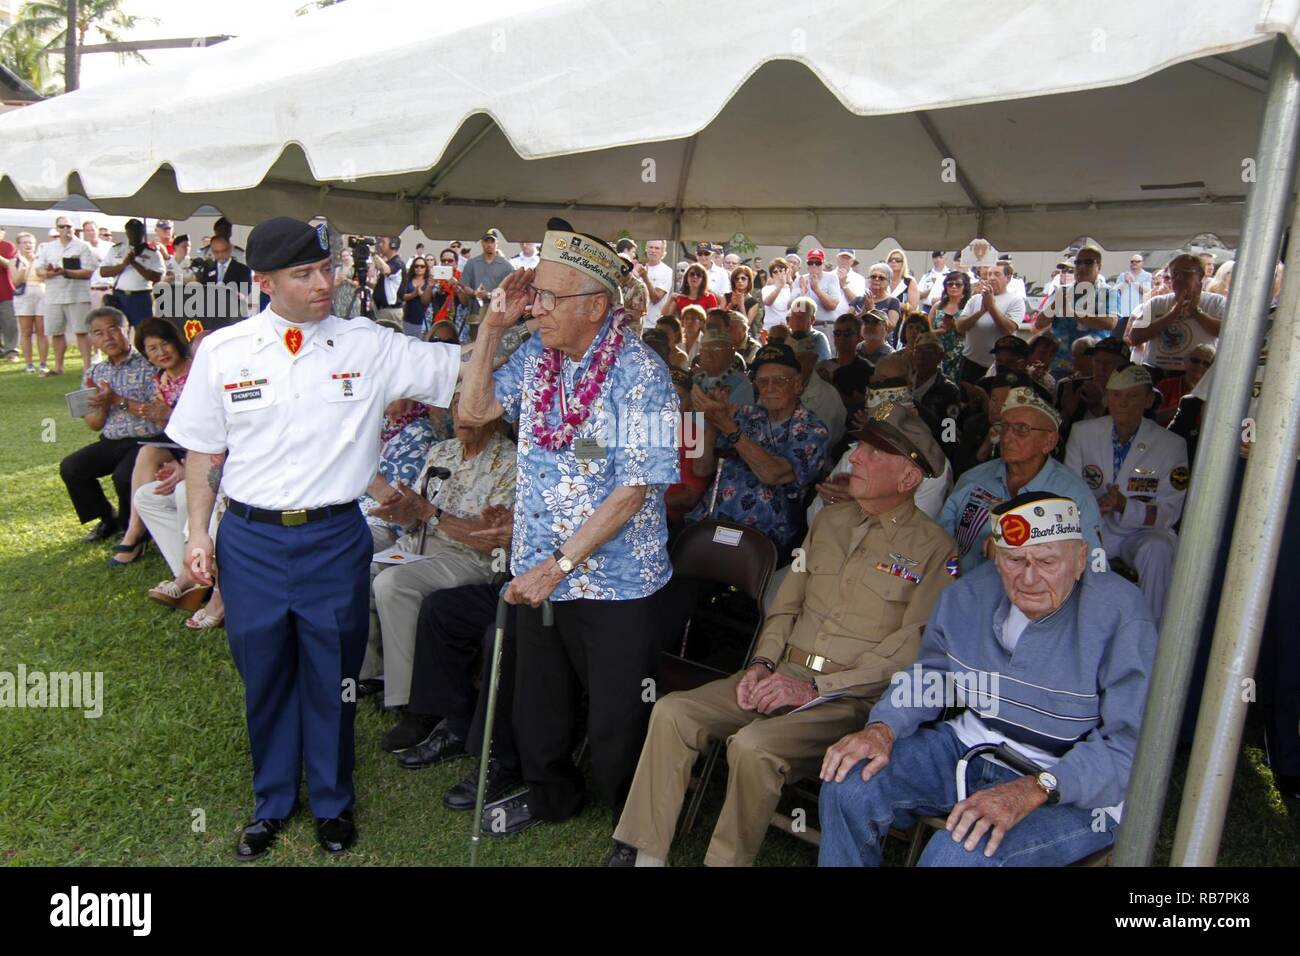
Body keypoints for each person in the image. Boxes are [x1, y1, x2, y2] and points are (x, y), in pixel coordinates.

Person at [164, 216, 461, 860]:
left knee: (332, 676)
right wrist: (197, 533)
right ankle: (272, 801)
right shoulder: (225, 351)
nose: (323, 283)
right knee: (264, 674)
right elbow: (200, 454)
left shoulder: (366, 344)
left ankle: (331, 801)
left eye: (327, 269)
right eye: (304, 274)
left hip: (332, 536)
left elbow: (454, 369)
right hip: (250, 538)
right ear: (265, 282)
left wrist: (495, 323)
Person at [611, 403, 958, 866]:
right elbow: (786, 605)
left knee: (754, 747)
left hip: (846, 698)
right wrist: (760, 665)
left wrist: (814, 688)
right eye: (860, 448)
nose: (855, 459)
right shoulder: (830, 522)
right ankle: (644, 853)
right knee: (675, 711)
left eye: (874, 454)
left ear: (909, 478)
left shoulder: (936, 549)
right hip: (782, 669)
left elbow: (910, 649)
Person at [459, 216, 679, 838]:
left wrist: (559, 565)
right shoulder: (535, 355)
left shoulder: (644, 375)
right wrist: (490, 330)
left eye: (551, 298)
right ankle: (551, 795)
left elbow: (634, 489)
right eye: (535, 294)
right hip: (538, 569)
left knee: (617, 721)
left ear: (597, 306)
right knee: (540, 703)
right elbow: (473, 412)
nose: (536, 308)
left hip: (614, 583)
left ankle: (632, 829)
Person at [818, 491, 1156, 867]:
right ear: (996, 558)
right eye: (1014, 560)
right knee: (848, 784)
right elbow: (934, 674)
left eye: (1046, 561)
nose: (1028, 577)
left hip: (1074, 788)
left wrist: (1035, 788)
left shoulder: (1120, 615)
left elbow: (1130, 746)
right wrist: (883, 728)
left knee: (954, 855)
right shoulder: (968, 594)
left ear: (1079, 561)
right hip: (971, 747)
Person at [363, 395, 517, 734]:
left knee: (393, 585)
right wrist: (401, 511)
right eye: (455, 408)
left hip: (472, 558)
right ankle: (373, 674)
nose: (460, 416)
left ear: (492, 414)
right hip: (421, 544)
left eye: (470, 408)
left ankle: (412, 701)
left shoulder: (511, 462)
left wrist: (429, 514)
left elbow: (492, 539)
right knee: (358, 570)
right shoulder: (441, 452)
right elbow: (417, 512)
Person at [1064, 365, 1188, 623]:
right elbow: (1069, 489)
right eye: (1117, 395)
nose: (1123, 403)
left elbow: (1170, 510)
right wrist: (1094, 506)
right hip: (1095, 526)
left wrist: (1124, 506)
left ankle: (1150, 635)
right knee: (1072, 548)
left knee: (1159, 548)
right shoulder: (1083, 432)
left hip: (1140, 532)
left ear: (1149, 399)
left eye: (1133, 396)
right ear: (1107, 398)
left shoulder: (1172, 444)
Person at [940, 386, 1102, 574]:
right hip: (964, 594)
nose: (1007, 437)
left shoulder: (1074, 496)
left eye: (1022, 429)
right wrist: (951, 585)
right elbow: (940, 548)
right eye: (1004, 426)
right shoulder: (973, 480)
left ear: (1049, 441)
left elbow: (1093, 569)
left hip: (1038, 598)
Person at [686, 343, 828, 557]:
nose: (769, 387)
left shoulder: (812, 430)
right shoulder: (745, 415)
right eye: (762, 381)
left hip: (759, 536)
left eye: (779, 381)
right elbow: (701, 469)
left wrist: (727, 425)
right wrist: (712, 423)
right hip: (708, 520)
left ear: (798, 385)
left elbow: (773, 473)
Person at [59, 307, 165, 544]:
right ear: (92, 339)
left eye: (113, 329)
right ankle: (107, 518)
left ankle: (132, 529)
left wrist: (118, 400)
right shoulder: (94, 372)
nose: (107, 337)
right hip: (112, 441)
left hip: (147, 440)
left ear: (126, 330)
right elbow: (94, 425)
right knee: (72, 467)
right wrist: (104, 405)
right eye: (98, 333)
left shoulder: (151, 365)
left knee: (123, 475)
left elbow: (161, 415)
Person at [109, 319, 194, 567]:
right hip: (177, 443)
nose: (161, 353)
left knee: (139, 460)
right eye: (153, 349)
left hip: (200, 445)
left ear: (177, 342)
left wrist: (168, 415)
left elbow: (202, 420)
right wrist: (160, 416)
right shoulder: (161, 378)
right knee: (147, 452)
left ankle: (135, 535)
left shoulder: (197, 371)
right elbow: (165, 422)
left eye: (165, 344)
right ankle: (134, 531)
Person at [1125, 252, 1226, 378]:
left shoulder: (1216, 302)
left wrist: (1195, 312)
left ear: (1200, 275)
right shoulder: (1156, 303)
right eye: (1174, 274)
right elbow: (1134, 338)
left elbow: (1225, 333)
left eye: (1185, 273)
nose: (1178, 279)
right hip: (1157, 375)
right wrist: (1171, 316)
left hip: (1196, 377)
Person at [1032, 246, 1118, 378]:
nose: (1082, 267)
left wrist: (1073, 313)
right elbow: (1039, 324)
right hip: (1059, 364)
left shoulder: (1108, 292)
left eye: (1088, 262)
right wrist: (1056, 304)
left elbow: (1110, 323)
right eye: (1078, 263)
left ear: (1099, 266)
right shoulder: (1062, 291)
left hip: (1092, 366)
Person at [36, 215, 96, 375]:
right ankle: (58, 367)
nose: (65, 230)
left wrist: (66, 271)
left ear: (74, 228)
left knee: (81, 331)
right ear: (57, 229)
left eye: (68, 226)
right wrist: (48, 273)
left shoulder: (83, 246)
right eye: (62, 226)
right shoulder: (48, 247)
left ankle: (87, 367)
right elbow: (39, 269)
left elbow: (89, 271)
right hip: (54, 295)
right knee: (56, 332)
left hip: (78, 295)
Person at [955, 261, 1025, 383]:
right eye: (989, 274)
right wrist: (981, 311)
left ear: (1008, 278)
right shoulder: (976, 299)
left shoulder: (1015, 301)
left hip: (997, 366)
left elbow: (1008, 330)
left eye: (997, 274)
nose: (992, 277)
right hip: (970, 362)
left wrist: (991, 307)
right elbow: (960, 327)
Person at [98, 218, 165, 330]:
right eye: (131, 231)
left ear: (143, 232)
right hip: (120, 296)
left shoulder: (152, 253)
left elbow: (157, 277)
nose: (134, 234)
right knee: (119, 329)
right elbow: (103, 272)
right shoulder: (117, 249)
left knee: (144, 330)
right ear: (127, 232)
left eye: (137, 231)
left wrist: (135, 263)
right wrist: (123, 265)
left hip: (141, 297)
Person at [184, 235, 254, 337]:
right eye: (216, 252)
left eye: (224, 251)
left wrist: (228, 292)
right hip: (212, 315)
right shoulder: (208, 268)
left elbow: (245, 292)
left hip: (233, 315)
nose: (221, 255)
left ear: (230, 249)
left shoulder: (242, 269)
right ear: (212, 251)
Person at [910, 332, 962, 446]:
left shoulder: (949, 390)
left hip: (931, 446)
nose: (922, 357)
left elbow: (949, 434)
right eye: (918, 351)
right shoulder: (904, 381)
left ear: (940, 356)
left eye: (929, 352)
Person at [12, 232, 47, 373]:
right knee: (26, 331)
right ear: (19, 245)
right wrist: (25, 267)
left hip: (41, 292)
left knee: (42, 330)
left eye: (31, 242)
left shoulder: (41, 259)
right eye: (25, 242)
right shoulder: (15, 261)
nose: (28, 245)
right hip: (24, 294)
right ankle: (29, 363)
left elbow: (44, 276)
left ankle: (43, 363)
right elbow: (16, 281)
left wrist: (35, 262)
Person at [1155, 342, 1214, 425]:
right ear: (1186, 361)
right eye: (1195, 361)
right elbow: (1152, 417)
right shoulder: (1166, 385)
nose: (1199, 366)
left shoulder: (1213, 391)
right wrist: (1183, 407)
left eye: (1206, 364)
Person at [693, 327, 754, 406]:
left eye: (716, 349)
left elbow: (738, 417)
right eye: (705, 348)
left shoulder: (741, 384)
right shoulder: (696, 379)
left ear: (730, 353)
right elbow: (690, 414)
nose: (709, 354)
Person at [850, 262, 902, 339]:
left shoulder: (893, 301)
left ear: (888, 282)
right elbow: (848, 323)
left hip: (882, 346)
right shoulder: (858, 300)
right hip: (858, 345)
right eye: (873, 276)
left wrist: (872, 311)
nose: (876, 279)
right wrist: (864, 311)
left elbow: (890, 327)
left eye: (881, 278)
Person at [794, 248, 842, 331]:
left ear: (823, 264)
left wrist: (816, 289)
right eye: (810, 263)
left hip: (825, 326)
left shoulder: (831, 278)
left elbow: (832, 306)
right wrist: (802, 294)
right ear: (807, 264)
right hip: (806, 327)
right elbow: (797, 310)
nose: (814, 266)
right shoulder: (800, 280)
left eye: (818, 263)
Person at [369, 235, 406, 325]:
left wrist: (374, 253)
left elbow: (386, 270)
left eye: (383, 242)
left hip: (390, 312)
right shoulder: (390, 262)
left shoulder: (397, 263)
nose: (380, 245)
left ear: (392, 245)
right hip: (382, 310)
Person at [637, 238, 674, 325]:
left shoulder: (667, 271)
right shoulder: (640, 268)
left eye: (657, 248)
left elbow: (656, 298)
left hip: (653, 324)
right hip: (636, 323)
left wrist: (645, 278)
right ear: (646, 249)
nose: (653, 251)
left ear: (663, 252)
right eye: (651, 247)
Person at [786, 295, 832, 362]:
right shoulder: (785, 337)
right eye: (793, 317)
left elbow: (822, 365)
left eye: (800, 318)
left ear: (812, 319)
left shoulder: (818, 338)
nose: (795, 321)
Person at [400, 255, 433, 337]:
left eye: (422, 266)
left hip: (424, 319)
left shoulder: (429, 282)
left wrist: (421, 293)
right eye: (416, 266)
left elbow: (428, 300)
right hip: (408, 318)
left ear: (426, 268)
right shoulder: (408, 280)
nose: (419, 268)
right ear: (413, 267)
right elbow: (401, 296)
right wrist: (413, 294)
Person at [1112, 253, 1152, 319]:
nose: (1134, 263)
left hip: (1139, 313)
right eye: (1132, 261)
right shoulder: (1123, 275)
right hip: (1123, 313)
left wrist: (1134, 282)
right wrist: (1125, 282)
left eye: (1137, 261)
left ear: (1142, 263)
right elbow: (1115, 292)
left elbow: (1148, 292)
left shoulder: (1148, 276)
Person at [761, 257, 795, 329]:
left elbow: (800, 307)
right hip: (770, 327)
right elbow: (767, 302)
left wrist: (790, 282)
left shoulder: (792, 288)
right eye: (775, 272)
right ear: (771, 275)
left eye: (781, 270)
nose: (779, 273)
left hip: (787, 327)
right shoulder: (767, 288)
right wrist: (780, 286)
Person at [884, 248, 921, 314]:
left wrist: (894, 303)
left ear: (903, 263)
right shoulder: (883, 279)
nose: (893, 262)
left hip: (902, 321)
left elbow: (913, 308)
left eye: (897, 260)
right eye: (890, 260)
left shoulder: (910, 282)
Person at [0, 228, 18, 362]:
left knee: (9, 323)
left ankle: (11, 351)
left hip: (6, 291)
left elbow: (10, 265)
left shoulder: (9, 246)